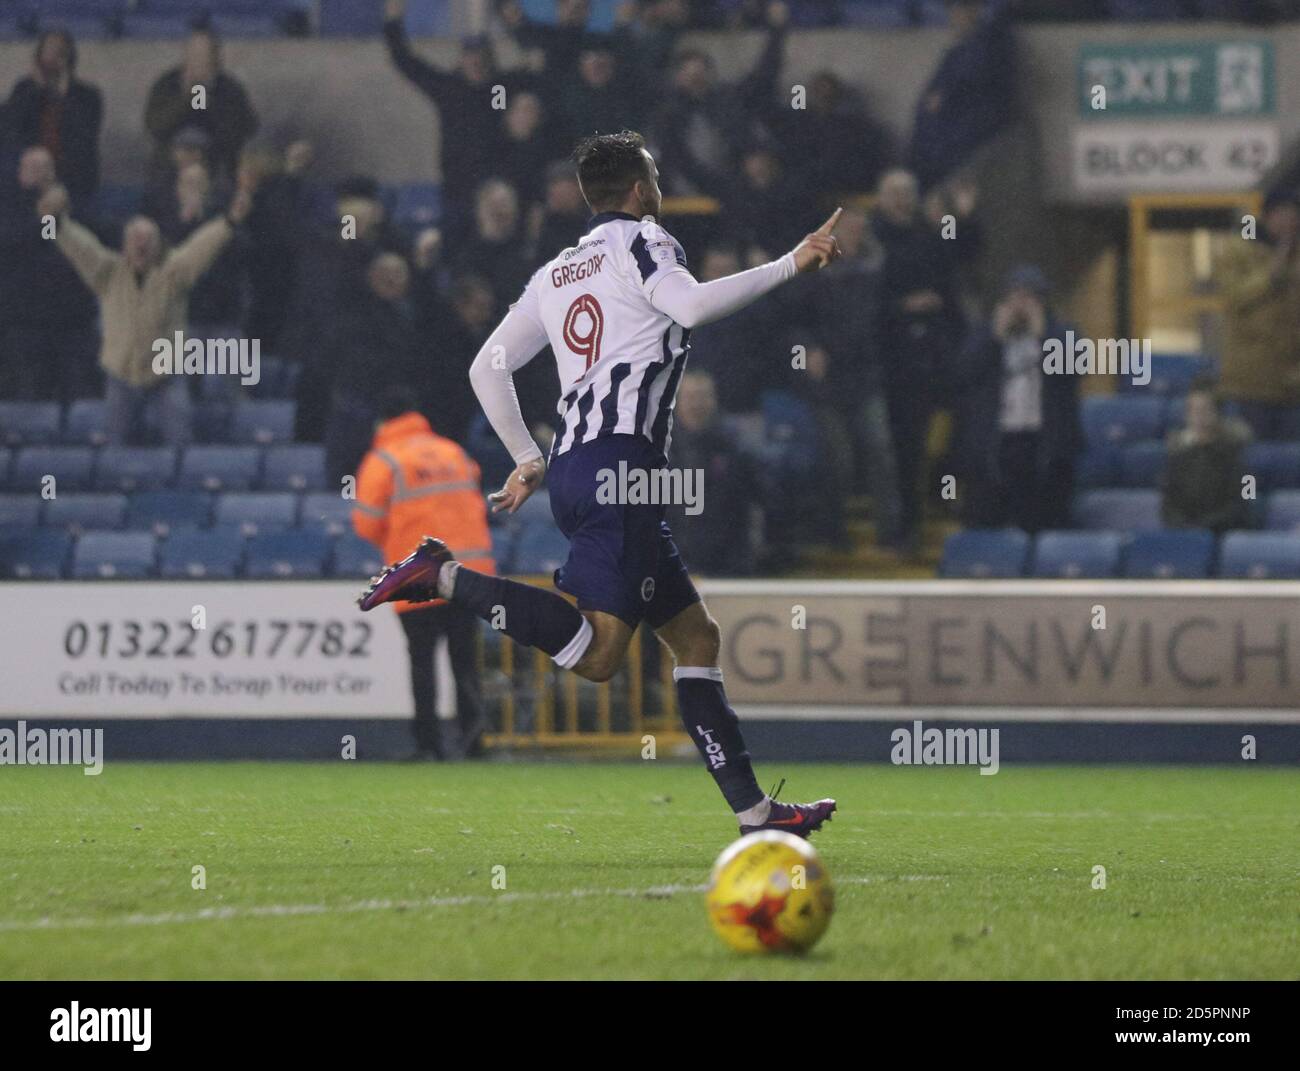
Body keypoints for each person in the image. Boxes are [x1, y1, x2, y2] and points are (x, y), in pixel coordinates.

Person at [360, 131, 842, 837]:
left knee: (697, 637)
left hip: (580, 469)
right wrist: (792, 262)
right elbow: (695, 308)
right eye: (655, 178)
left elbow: (485, 368)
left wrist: (527, 455)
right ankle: (443, 576)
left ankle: (756, 814)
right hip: (624, 467)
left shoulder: (555, 272)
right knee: (598, 654)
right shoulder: (647, 242)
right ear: (643, 189)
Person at [37, 178, 252, 446]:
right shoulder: (107, 272)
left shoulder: (175, 272)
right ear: (125, 245)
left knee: (180, 444)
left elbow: (202, 246)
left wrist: (230, 222)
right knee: (114, 448)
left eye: (148, 240)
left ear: (159, 244)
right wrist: (52, 221)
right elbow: (78, 246)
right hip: (120, 376)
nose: (141, 245)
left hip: (167, 377)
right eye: (135, 240)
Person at [353, 387, 495, 760]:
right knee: (465, 662)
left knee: (423, 663)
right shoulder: (454, 452)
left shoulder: (384, 459)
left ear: (383, 422)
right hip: (467, 575)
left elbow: (365, 524)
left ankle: (429, 747)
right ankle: (474, 743)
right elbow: (475, 502)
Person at [953, 264, 1081, 533]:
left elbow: (1075, 370)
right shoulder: (984, 334)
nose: (1020, 306)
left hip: (1042, 447)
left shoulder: (1063, 334)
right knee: (984, 525)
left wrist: (1042, 336)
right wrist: (994, 338)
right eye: (1014, 297)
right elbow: (962, 374)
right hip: (996, 445)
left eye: (1028, 298)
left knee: (1042, 525)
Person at [0, 147, 98, 402]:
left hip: (72, 315)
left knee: (78, 391)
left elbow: (92, 240)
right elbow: (22, 241)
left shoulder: (72, 203)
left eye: (40, 168)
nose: (33, 174)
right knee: (29, 390)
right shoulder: (10, 204)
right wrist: (47, 219)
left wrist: (60, 216)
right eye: (28, 168)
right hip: (24, 317)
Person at [1216, 188, 1300, 441]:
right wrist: (1270, 277)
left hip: (1292, 383)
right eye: (1286, 215)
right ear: (1269, 216)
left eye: (1295, 216)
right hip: (1250, 384)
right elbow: (1233, 297)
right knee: (1254, 460)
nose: (1292, 222)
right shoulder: (1239, 250)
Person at [144, 26, 258, 188]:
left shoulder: (230, 88)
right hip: (171, 166)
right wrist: (186, 98)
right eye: (195, 55)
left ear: (216, 58)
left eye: (205, 55)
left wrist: (207, 98)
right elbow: (154, 126)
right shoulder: (166, 84)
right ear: (186, 56)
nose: (200, 61)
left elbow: (244, 128)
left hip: (217, 164)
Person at [4, 29, 102, 207]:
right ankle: (44, 234)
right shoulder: (24, 91)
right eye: (48, 51)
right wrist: (38, 89)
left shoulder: (87, 96)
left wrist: (63, 94)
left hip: (71, 181)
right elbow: (10, 128)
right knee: (38, 228)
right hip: (28, 183)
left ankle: (48, 233)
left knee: (51, 225)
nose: (53, 59)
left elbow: (85, 136)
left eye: (60, 52)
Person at [1161, 376, 1251, 534]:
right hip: (1184, 534)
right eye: (1192, 411)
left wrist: (1206, 527)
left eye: (1204, 410)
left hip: (1222, 535)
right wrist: (1183, 527)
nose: (1197, 418)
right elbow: (1167, 504)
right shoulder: (1178, 457)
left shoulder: (1238, 457)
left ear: (1218, 413)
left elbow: (1244, 503)